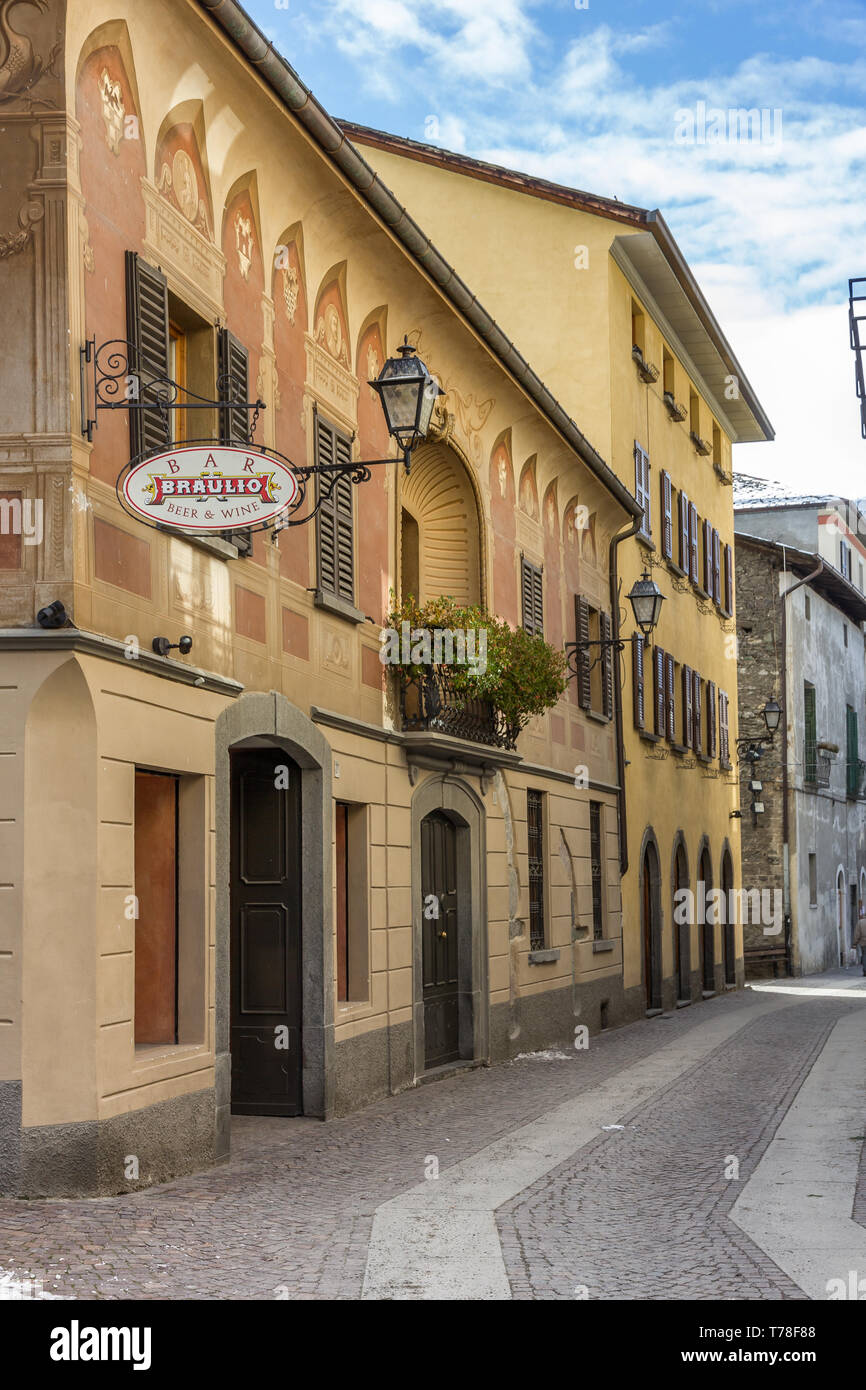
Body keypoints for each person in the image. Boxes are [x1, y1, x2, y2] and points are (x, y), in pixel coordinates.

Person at [853, 901, 866, 976]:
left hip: (863, 942)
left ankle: (865, 970)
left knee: (864, 955)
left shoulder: (860, 922)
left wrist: (854, 943)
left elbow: (857, 934)